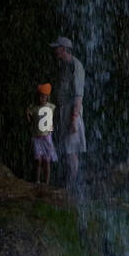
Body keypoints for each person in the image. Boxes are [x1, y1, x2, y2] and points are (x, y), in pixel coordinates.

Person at [50, 37, 87, 187]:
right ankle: (66, 182)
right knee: (66, 149)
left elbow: (78, 95)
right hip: (63, 112)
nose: (54, 50)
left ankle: (71, 186)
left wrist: (74, 119)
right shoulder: (64, 65)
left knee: (71, 151)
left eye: (57, 47)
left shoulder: (75, 66)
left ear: (64, 49)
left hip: (71, 113)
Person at [27, 82, 57, 185]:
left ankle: (47, 182)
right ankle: (37, 181)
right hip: (37, 137)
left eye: (45, 97)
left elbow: (51, 119)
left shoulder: (51, 107)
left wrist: (51, 127)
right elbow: (30, 118)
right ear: (38, 97)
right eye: (41, 97)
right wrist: (28, 117)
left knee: (47, 161)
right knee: (38, 160)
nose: (43, 99)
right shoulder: (34, 107)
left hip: (47, 137)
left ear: (47, 97)